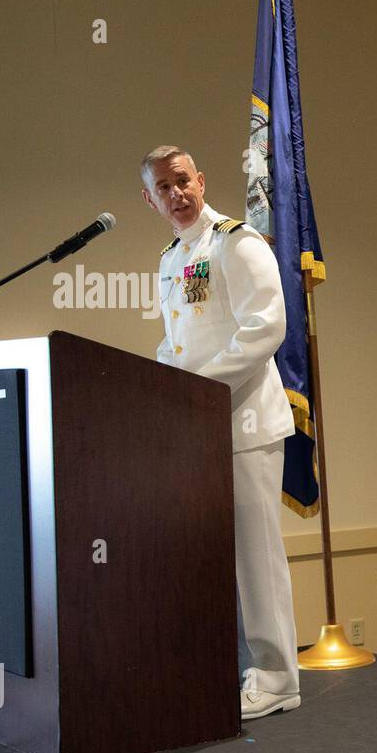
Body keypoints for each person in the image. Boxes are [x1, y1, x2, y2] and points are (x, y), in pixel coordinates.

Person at [141, 145, 301, 720]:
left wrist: (199, 391)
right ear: (150, 198)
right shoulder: (169, 258)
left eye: (183, 180)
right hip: (196, 423)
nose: (176, 193)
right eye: (163, 187)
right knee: (212, 553)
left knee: (256, 556)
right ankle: (234, 668)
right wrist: (160, 390)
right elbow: (175, 342)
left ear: (201, 181)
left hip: (244, 422)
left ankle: (279, 675)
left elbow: (266, 327)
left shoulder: (238, 242)